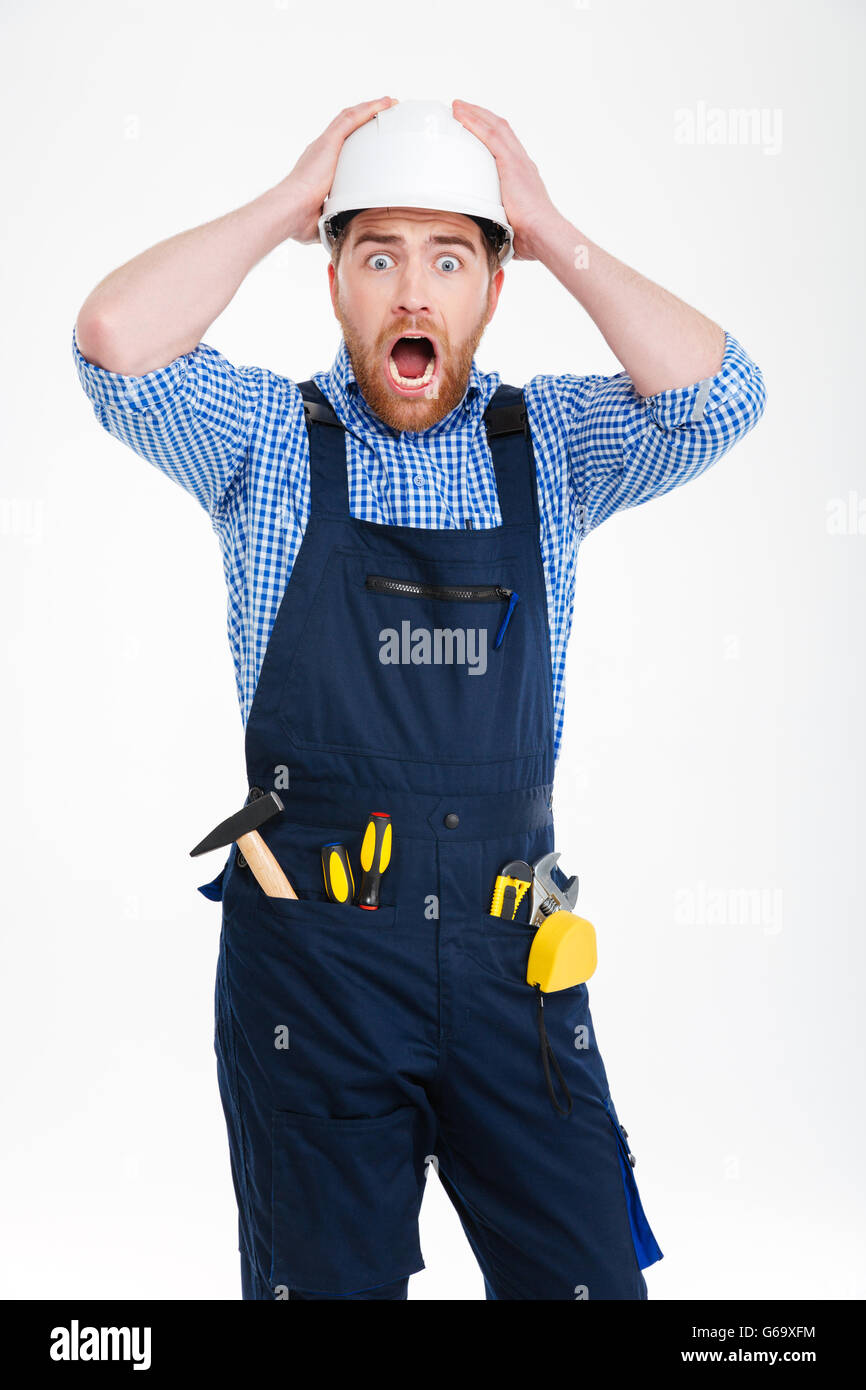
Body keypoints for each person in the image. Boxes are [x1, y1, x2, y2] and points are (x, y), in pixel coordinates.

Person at [73, 97, 766, 1301]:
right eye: (376, 254)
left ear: (491, 289)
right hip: (317, 973)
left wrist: (548, 227)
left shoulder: (546, 439)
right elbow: (114, 343)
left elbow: (720, 395)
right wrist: (289, 202)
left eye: (449, 258)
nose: (410, 294)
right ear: (333, 279)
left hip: (514, 970)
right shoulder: (264, 440)